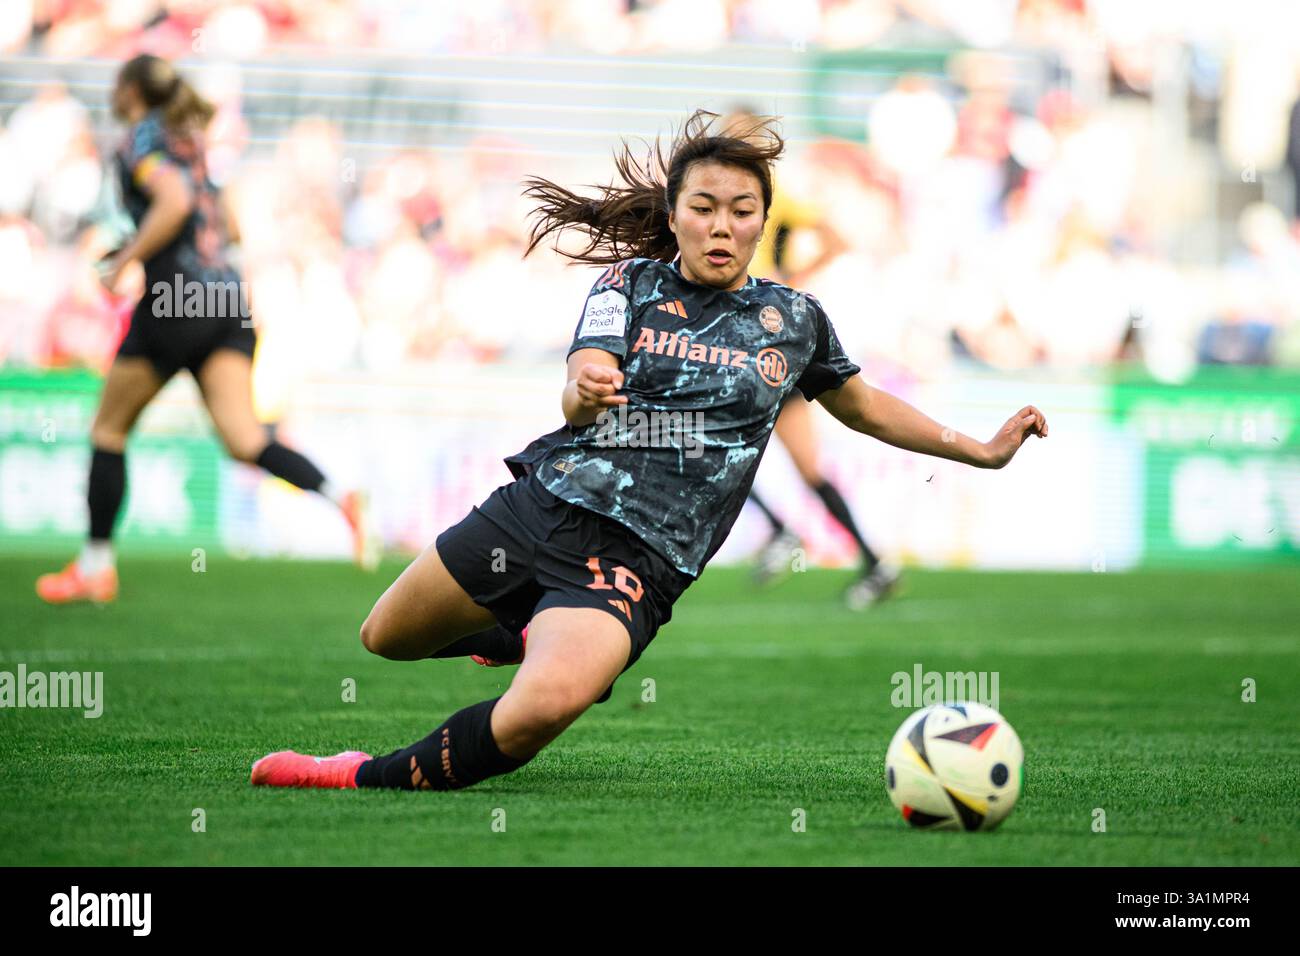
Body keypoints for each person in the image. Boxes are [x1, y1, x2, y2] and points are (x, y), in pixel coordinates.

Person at [250, 110, 1047, 792]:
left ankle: (356, 772)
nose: (722, 225)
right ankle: (523, 631)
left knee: (540, 711)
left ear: (763, 221)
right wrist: (586, 385)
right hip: (541, 507)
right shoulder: (629, 285)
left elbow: (863, 406)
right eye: (704, 207)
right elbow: (576, 385)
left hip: (639, 560)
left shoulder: (795, 320)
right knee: (385, 639)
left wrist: (978, 448)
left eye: (741, 210)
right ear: (674, 214)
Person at [36, 54, 375, 606]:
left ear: (130, 89)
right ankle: (342, 498)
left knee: (108, 429)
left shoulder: (143, 139)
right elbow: (222, 220)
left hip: (177, 298)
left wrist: (127, 260)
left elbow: (174, 201)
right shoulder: (189, 142)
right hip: (226, 297)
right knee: (245, 439)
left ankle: (95, 567)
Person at [721, 107, 898, 607]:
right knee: (721, 445)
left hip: (758, 339)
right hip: (746, 339)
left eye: (740, 134)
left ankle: (797, 535)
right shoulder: (740, 194)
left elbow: (837, 239)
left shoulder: (770, 195)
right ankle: (869, 561)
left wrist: (786, 283)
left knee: (699, 439)